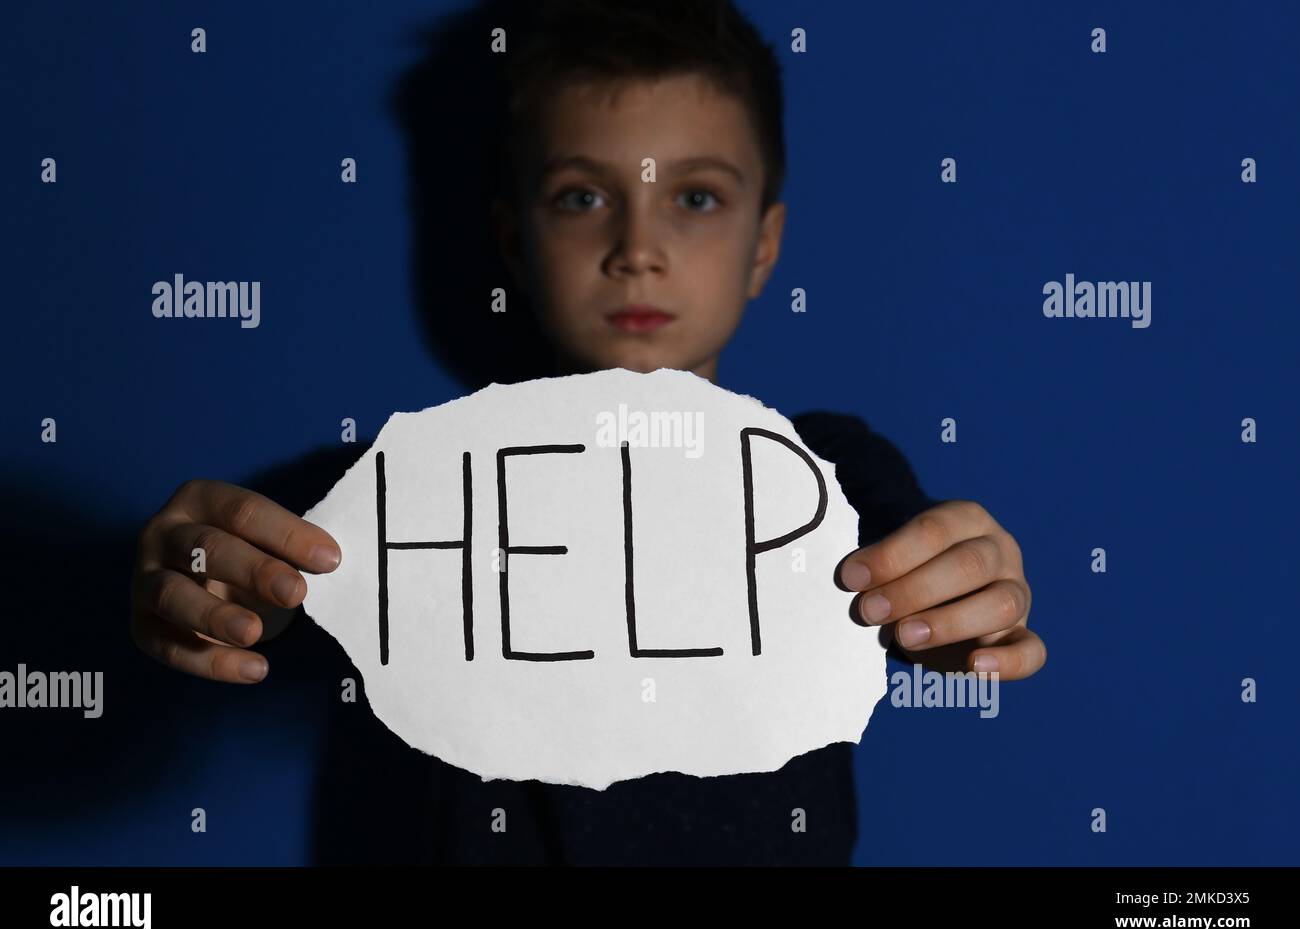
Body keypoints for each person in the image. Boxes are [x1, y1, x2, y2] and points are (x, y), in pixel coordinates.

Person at [128, 0, 1045, 864]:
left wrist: (967, 599)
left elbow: (930, 564)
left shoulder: (827, 470)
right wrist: (207, 573)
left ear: (764, 247)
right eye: (580, 197)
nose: (636, 248)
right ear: (515, 239)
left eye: (695, 198)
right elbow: (246, 565)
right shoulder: (403, 486)